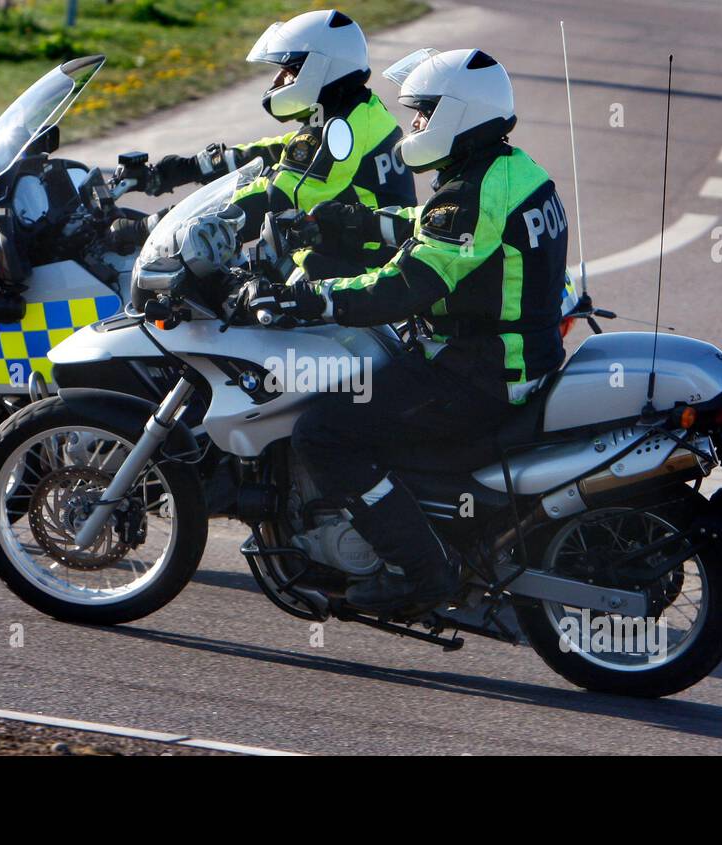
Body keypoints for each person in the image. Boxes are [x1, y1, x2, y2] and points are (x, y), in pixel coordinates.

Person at [244, 48, 570, 613]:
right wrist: (352, 219)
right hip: (511, 360)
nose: (414, 126)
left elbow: (400, 289)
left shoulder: (471, 192)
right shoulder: (511, 172)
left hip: (476, 374)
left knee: (325, 431)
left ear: (455, 115)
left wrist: (306, 297)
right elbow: (436, 229)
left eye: (422, 114)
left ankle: (423, 574)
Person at [110, 9, 416, 267]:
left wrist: (154, 226)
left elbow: (273, 198)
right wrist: (176, 170)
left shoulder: (345, 127)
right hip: (355, 252)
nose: (278, 81)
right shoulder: (356, 110)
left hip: (358, 266)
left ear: (321, 69)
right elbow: (269, 153)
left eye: (289, 71)